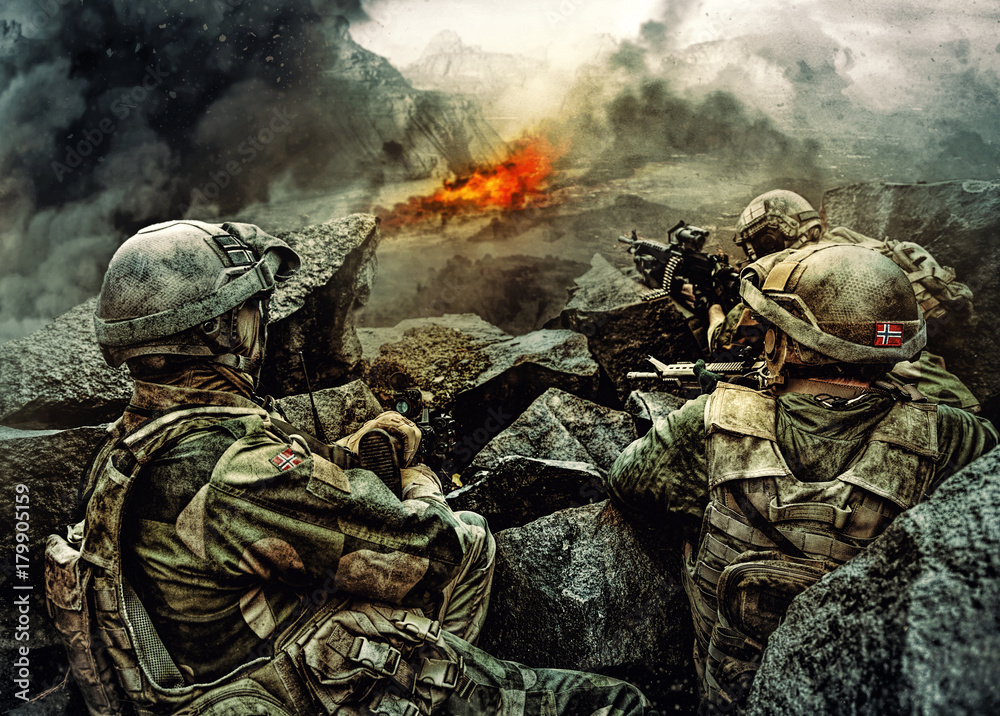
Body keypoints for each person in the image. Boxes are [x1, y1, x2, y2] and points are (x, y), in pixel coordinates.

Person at [47, 220, 652, 715]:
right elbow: (425, 553)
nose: (262, 326)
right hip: (292, 685)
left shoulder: (129, 448)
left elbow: (253, 500)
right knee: (614, 703)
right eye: (252, 311)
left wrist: (345, 455)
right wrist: (421, 485)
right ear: (217, 330)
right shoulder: (240, 472)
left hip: (211, 674)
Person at [608, 243, 997, 714]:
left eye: (773, 330)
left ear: (786, 344)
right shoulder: (957, 437)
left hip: (727, 687)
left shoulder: (708, 422)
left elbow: (627, 482)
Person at [708, 189, 979, 411]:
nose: (754, 254)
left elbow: (726, 348)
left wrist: (714, 306)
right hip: (913, 341)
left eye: (758, 244)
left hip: (885, 364)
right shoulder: (846, 243)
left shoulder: (796, 272)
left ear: (773, 237)